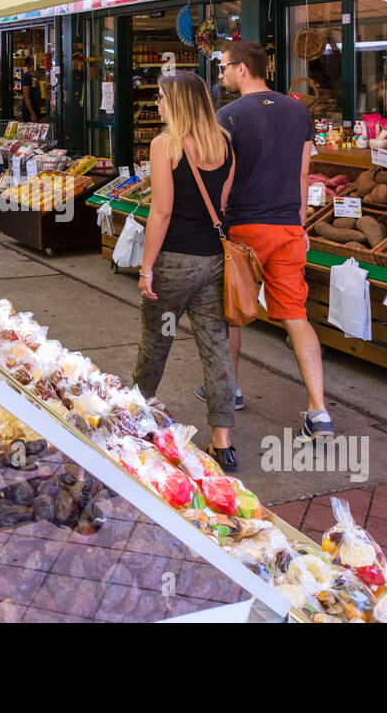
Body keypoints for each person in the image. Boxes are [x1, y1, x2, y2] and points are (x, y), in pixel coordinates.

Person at [215, 39, 332, 442]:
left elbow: (225, 177)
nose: (221, 74)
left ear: (243, 69)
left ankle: (229, 392)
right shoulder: (298, 111)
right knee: (296, 316)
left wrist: (218, 218)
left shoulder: (227, 115)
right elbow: (303, 173)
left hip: (242, 228)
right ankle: (318, 411)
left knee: (231, 311)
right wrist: (298, 223)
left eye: (224, 67)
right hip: (287, 228)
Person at [133, 71, 240, 474]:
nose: (157, 104)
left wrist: (146, 269)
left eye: (161, 98)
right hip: (213, 261)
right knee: (216, 349)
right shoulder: (225, 144)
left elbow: (161, 211)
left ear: (177, 103)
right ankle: (222, 444)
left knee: (157, 341)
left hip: (174, 263)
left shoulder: (165, 145)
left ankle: (136, 417)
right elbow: (223, 203)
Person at [19, 56, 39, 122]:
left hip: (35, 108)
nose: (38, 64)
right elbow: (26, 96)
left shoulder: (34, 76)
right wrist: (32, 113)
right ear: (32, 64)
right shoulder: (26, 77)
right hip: (29, 111)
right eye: (36, 63)